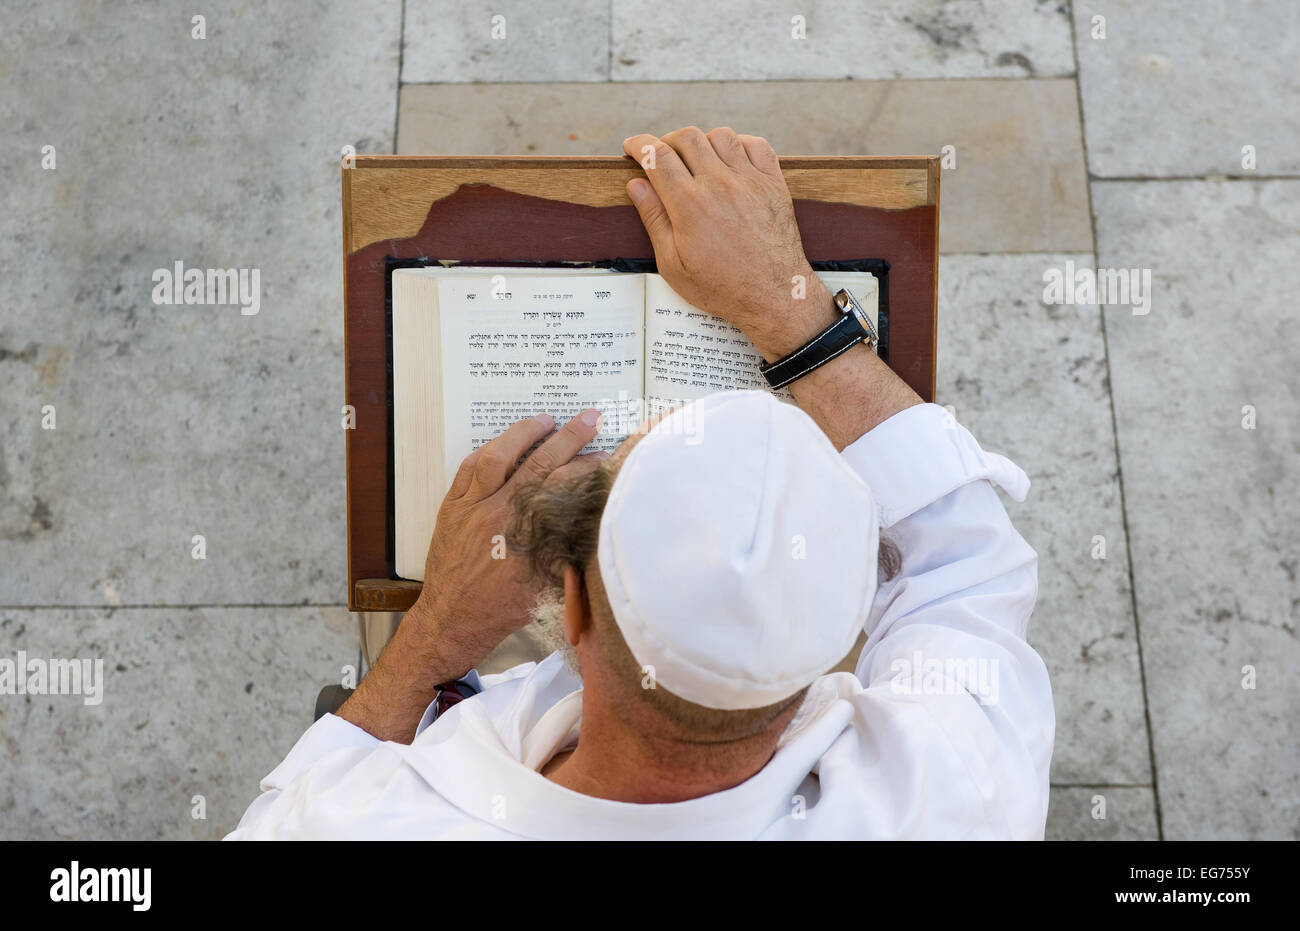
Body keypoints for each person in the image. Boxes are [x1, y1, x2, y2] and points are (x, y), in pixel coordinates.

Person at [228, 127, 1053, 839]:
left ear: (572, 605)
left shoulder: (350, 822)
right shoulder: (955, 791)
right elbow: (961, 567)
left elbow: (294, 800)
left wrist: (430, 641)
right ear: (835, 653)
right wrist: (790, 307)